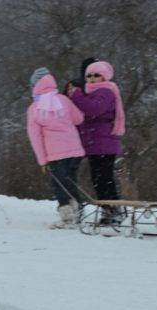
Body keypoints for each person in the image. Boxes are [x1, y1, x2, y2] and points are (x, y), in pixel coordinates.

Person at [26, 68, 85, 227]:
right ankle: (78, 211)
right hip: (75, 150)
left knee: (59, 183)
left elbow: (35, 137)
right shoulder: (64, 100)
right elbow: (79, 118)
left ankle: (67, 217)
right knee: (71, 180)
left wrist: (42, 160)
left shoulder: (35, 108)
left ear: (35, 86)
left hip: (55, 153)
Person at [69, 60, 125, 223]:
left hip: (104, 144)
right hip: (95, 144)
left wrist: (77, 95)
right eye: (89, 76)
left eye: (96, 75)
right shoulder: (90, 92)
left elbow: (93, 109)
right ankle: (109, 210)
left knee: (104, 179)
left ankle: (113, 210)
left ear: (104, 77)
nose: (92, 79)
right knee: (98, 180)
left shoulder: (106, 91)